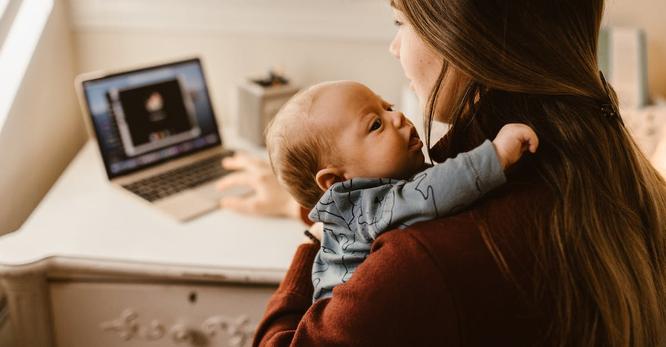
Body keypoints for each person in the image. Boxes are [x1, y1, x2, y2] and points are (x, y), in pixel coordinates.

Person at [217, 0, 666, 345]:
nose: (395, 48)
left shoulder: (414, 264)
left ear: (465, 35)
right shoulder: (609, 170)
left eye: (401, 23)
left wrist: (314, 240)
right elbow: (422, 192)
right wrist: (327, 208)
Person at [264, 80, 539, 302]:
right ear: (337, 182)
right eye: (375, 124)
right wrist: (496, 154)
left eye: (389, 107)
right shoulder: (365, 204)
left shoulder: (385, 193)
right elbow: (431, 192)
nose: (397, 117)